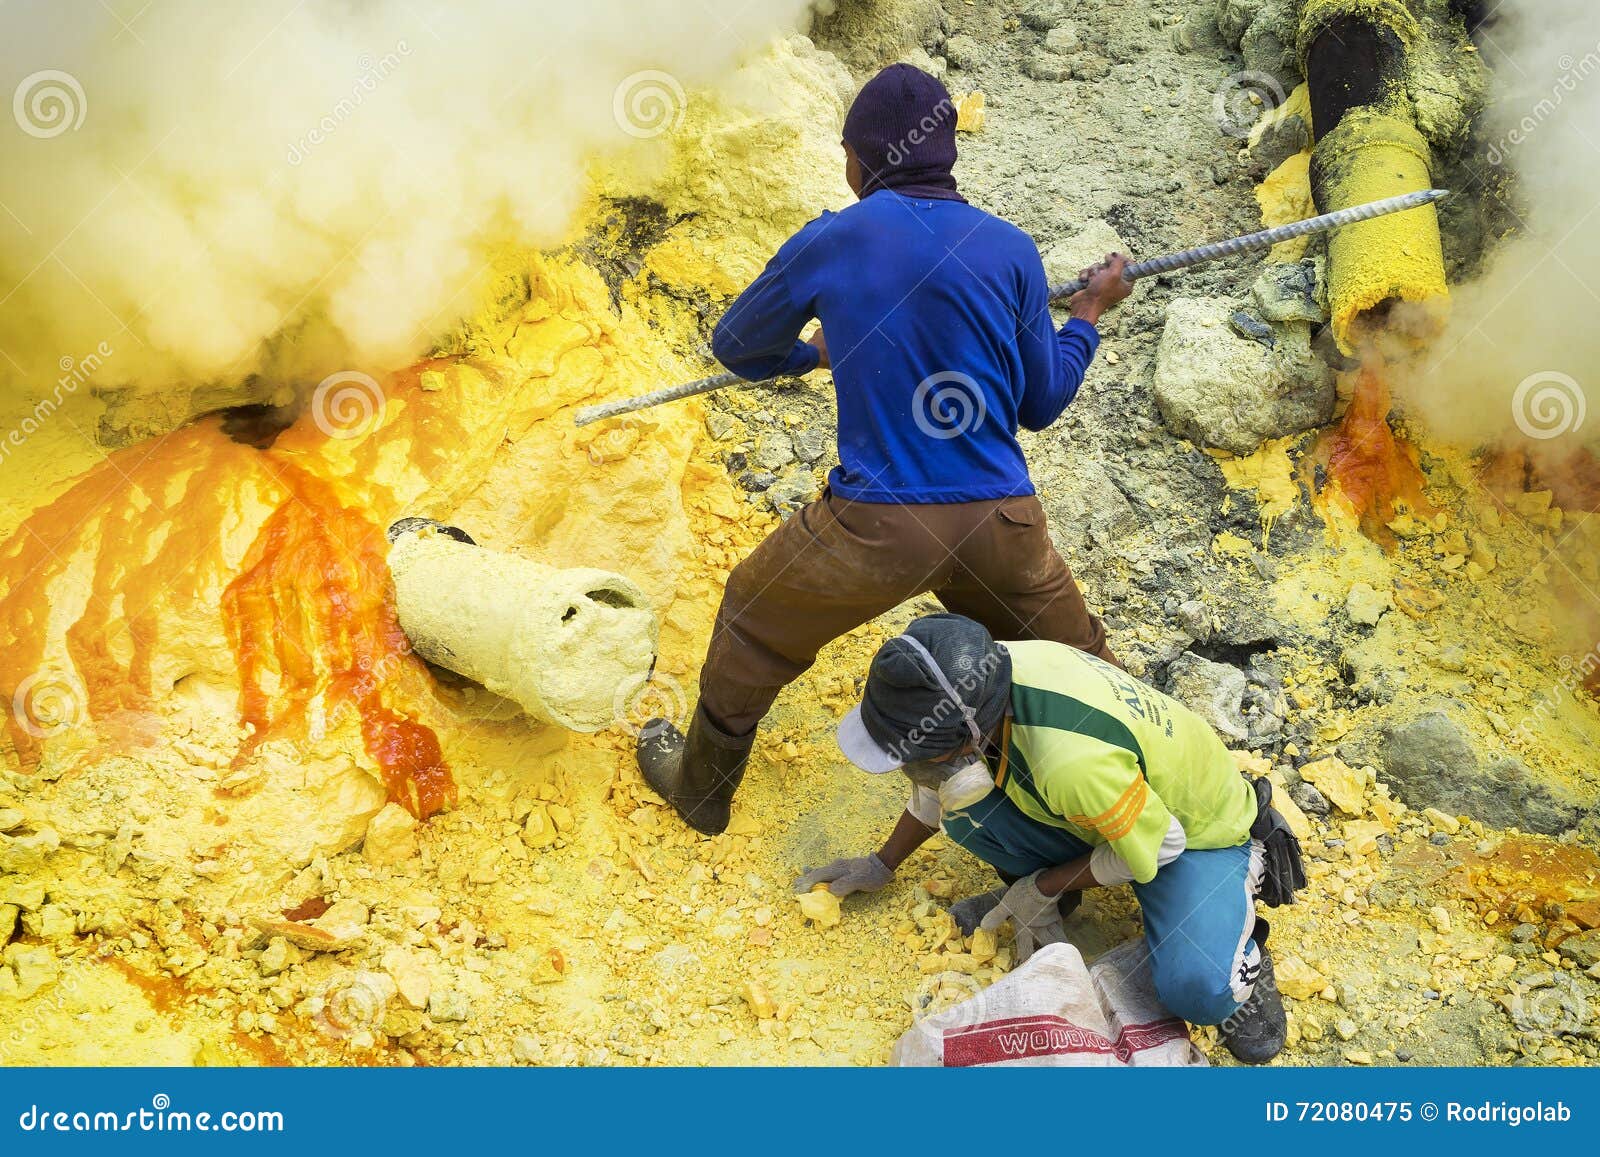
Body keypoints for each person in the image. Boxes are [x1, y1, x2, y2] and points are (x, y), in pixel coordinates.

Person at [637, 62, 1133, 836]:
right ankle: (1155, 785)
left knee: (751, 617)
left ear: (859, 158)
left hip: (878, 524)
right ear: (946, 157)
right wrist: (1089, 316)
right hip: (1001, 522)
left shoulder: (835, 238)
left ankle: (700, 794)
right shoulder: (1009, 250)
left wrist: (813, 354)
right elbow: (1041, 403)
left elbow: (736, 343)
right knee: (1082, 662)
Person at [798, 613, 1305, 1064]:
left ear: (967, 736)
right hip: (1114, 801)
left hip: (1195, 832)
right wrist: (881, 862)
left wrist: (1041, 887)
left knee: (1196, 989)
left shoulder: (1068, 762)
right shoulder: (982, 678)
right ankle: (1064, 890)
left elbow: (1162, 845)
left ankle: (1241, 946)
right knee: (964, 803)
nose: (909, 770)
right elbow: (937, 785)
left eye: (917, 756)